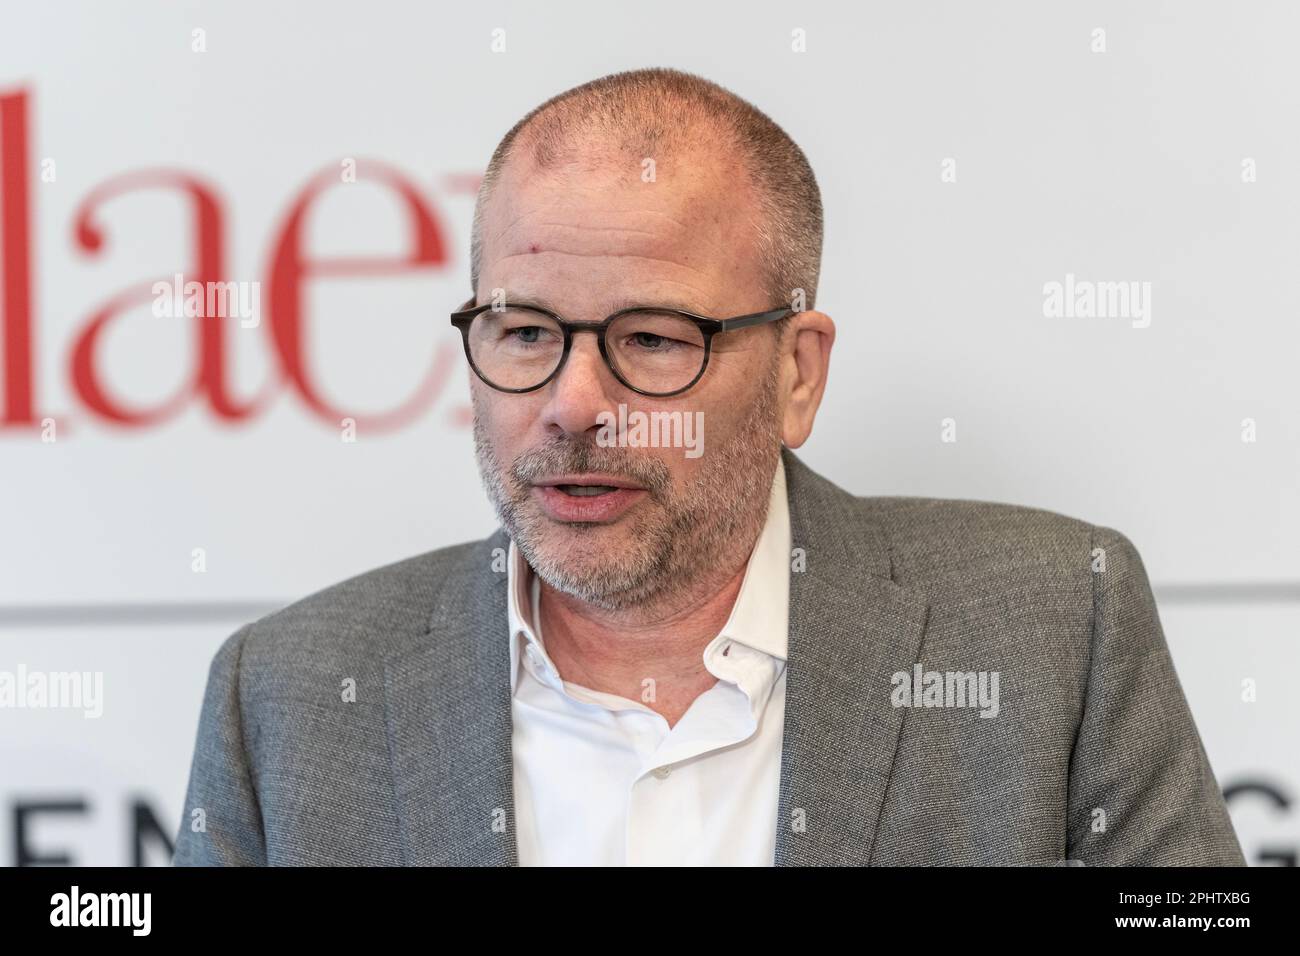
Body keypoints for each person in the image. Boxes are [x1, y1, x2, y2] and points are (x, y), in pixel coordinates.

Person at [174, 67, 1243, 866]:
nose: (572, 405)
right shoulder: (288, 697)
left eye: (650, 338)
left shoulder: (1055, 625)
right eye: (523, 331)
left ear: (795, 372)